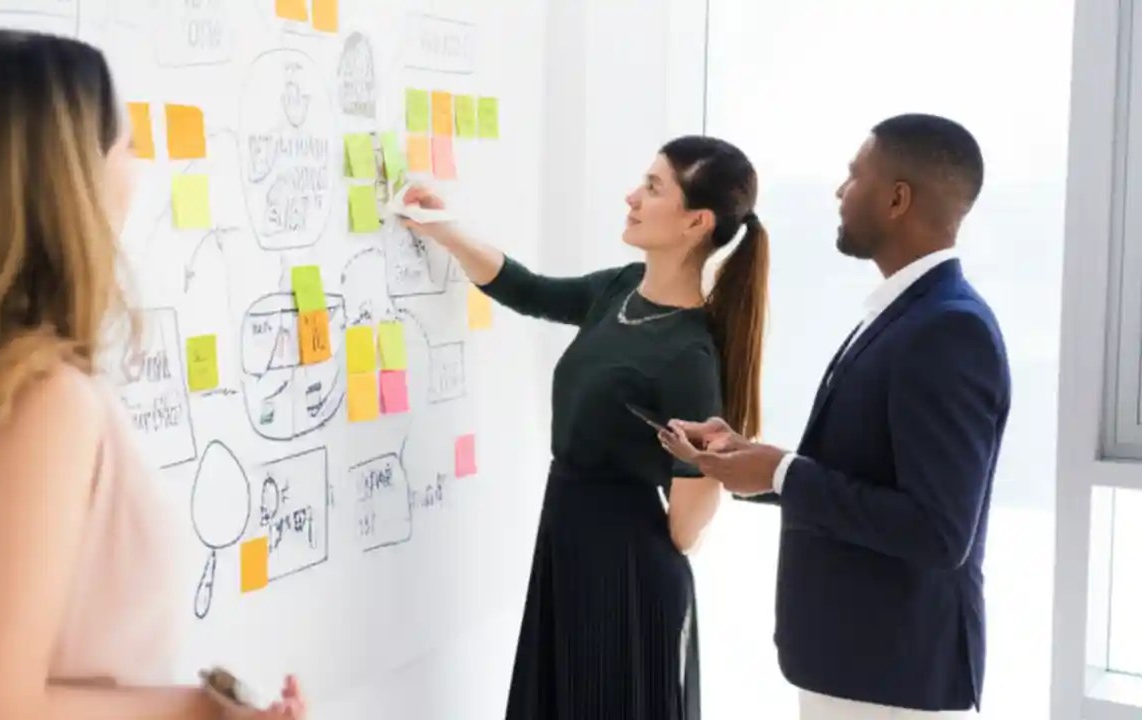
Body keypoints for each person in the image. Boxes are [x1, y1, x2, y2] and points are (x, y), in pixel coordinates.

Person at [0, 30, 306, 719]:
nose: (138, 166)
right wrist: (200, 710)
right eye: (125, 145)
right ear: (71, 174)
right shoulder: (44, 400)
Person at [401, 135, 769, 719]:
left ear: (695, 221)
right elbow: (526, 289)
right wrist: (442, 225)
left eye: (652, 187)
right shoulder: (620, 289)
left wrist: (676, 477)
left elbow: (687, 527)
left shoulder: (689, 356)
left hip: (623, 577)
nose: (632, 196)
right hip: (569, 546)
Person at [662, 114, 1010, 719]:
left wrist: (782, 474)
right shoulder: (907, 314)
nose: (840, 191)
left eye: (854, 176)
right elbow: (867, 473)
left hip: (891, 678)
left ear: (898, 198)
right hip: (858, 668)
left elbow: (938, 531)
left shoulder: (948, 329)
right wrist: (750, 458)